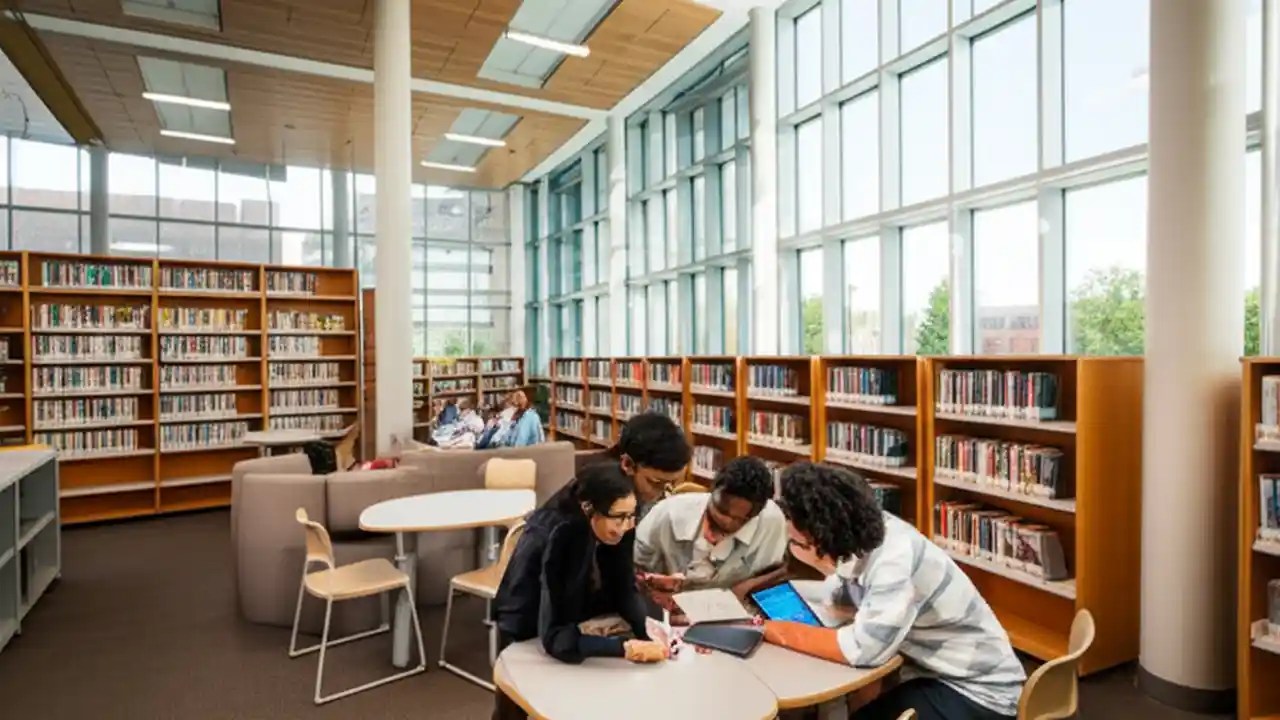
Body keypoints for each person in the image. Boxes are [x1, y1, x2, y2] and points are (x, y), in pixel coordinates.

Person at [761, 462, 1024, 720]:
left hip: (978, 692)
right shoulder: (865, 532)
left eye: (794, 540)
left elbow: (862, 651)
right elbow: (841, 592)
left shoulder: (894, 560)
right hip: (935, 670)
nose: (789, 542)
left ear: (820, 537)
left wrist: (772, 629)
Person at [492, 462, 668, 719]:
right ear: (589, 510)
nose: (625, 526)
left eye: (631, 516)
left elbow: (624, 587)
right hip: (526, 626)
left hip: (574, 622)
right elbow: (557, 639)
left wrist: (646, 635)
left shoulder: (622, 525)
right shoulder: (562, 538)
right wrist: (627, 647)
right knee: (522, 707)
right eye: (618, 517)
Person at [634, 456, 788, 616]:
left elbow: (780, 572)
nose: (727, 522)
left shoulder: (772, 521)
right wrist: (653, 588)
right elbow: (631, 572)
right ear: (711, 490)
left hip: (729, 616)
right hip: (664, 615)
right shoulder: (666, 515)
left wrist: (743, 588)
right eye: (720, 510)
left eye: (739, 520)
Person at [602, 411, 691, 519]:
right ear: (627, 464)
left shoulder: (657, 494)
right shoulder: (602, 502)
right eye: (655, 483)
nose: (663, 493)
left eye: (672, 482)